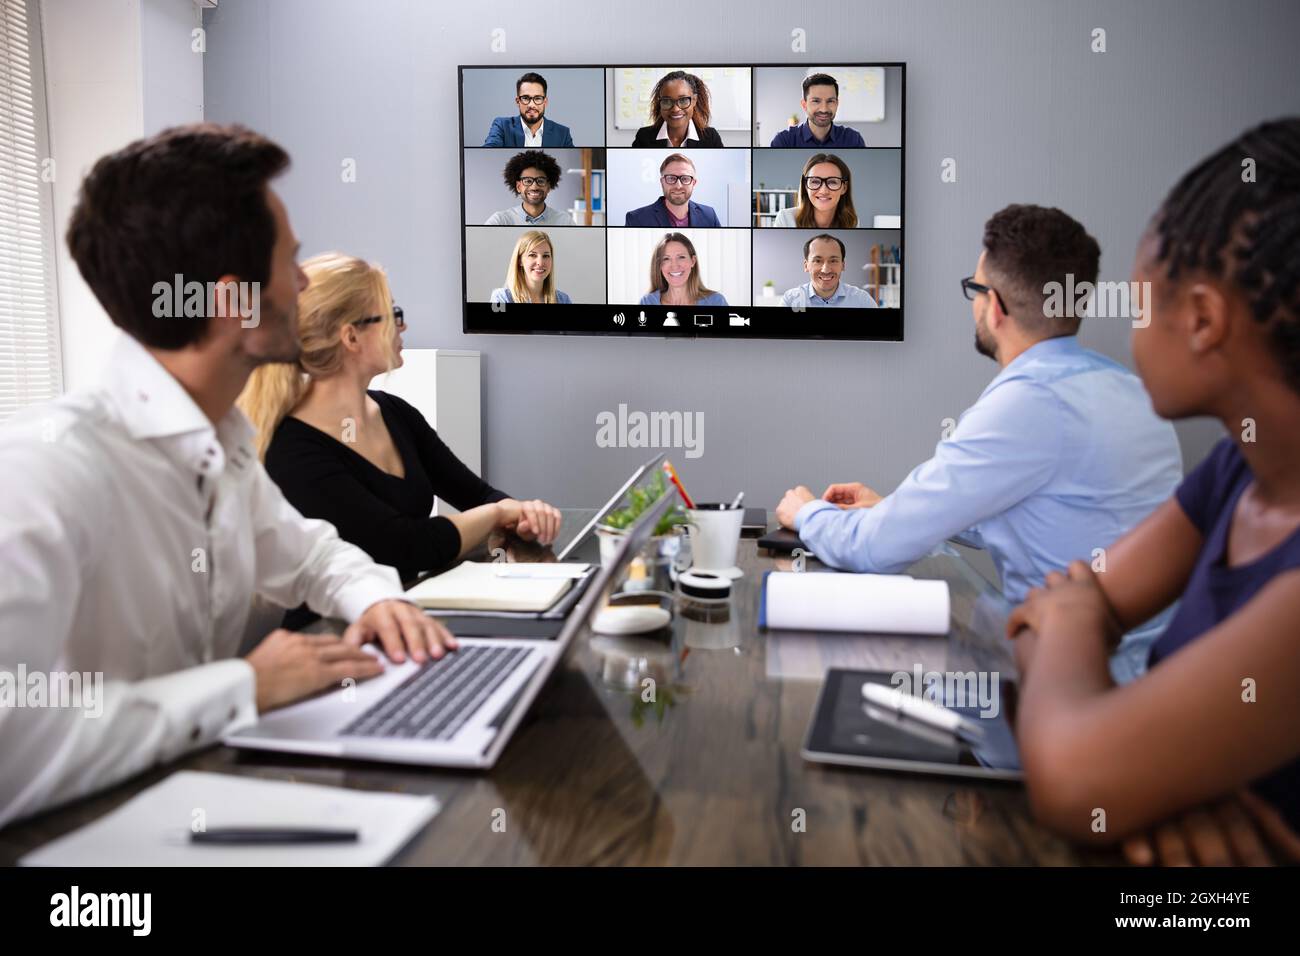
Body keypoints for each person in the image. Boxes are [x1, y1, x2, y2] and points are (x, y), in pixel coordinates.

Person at [0, 124, 456, 827]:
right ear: (229, 302)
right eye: (289, 262)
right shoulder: (45, 470)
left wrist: (373, 600)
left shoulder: (223, 445)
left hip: (188, 806)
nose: (303, 283)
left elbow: (311, 554)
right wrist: (242, 685)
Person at [1004, 118, 1300, 847]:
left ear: (1201, 320)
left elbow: (1074, 776)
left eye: (1139, 303)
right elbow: (1034, 624)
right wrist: (1169, 789)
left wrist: (1071, 623)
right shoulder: (1238, 468)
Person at [775, 204, 1183, 683]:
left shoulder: (1027, 405)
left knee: (829, 672)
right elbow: (1046, 516)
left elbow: (876, 550)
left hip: (1065, 690)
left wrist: (804, 513)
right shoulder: (1132, 391)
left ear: (995, 306)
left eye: (973, 289)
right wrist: (895, 507)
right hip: (1144, 678)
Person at [240, 251, 562, 594]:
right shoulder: (291, 449)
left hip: (401, 610)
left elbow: (477, 494)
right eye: (393, 315)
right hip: (328, 635)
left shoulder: (395, 412)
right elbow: (405, 545)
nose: (403, 325)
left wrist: (521, 518)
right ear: (351, 337)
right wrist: (498, 515)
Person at [769, 73, 867, 148]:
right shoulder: (784, 141)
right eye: (816, 101)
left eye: (830, 101)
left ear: (837, 104)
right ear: (804, 105)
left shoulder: (853, 139)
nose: (824, 109)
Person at [780, 234, 877, 308]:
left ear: (843, 265)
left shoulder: (863, 301)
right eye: (818, 261)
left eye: (833, 261)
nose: (825, 270)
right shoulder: (790, 300)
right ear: (806, 266)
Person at [630, 71, 724, 148]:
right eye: (667, 101)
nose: (675, 109)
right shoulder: (644, 137)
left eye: (683, 100)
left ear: (694, 100)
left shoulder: (710, 138)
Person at [624, 153, 721, 227]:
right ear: (662, 182)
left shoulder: (709, 215)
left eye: (685, 178)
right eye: (671, 178)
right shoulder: (636, 219)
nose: (678, 186)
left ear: (693, 183)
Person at [482, 71, 575, 147]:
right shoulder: (502, 126)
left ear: (545, 102)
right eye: (526, 98)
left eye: (538, 98)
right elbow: (488, 150)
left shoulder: (563, 133)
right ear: (518, 101)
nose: (531, 105)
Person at [483, 150, 574, 226]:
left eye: (541, 181)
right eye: (527, 181)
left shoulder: (565, 221)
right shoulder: (501, 221)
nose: (534, 186)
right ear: (518, 187)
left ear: (548, 187)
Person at [638, 232, 727, 307]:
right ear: (659, 265)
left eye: (681, 257)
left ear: (693, 261)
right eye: (666, 258)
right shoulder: (647, 302)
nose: (674, 266)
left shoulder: (716, 302)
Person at [772, 153, 858, 228]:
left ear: (844, 188)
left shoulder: (852, 222)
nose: (823, 191)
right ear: (805, 186)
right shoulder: (785, 219)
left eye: (832, 182)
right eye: (815, 181)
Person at [490, 230, 572, 304]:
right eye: (532, 255)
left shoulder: (563, 300)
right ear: (520, 260)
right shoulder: (501, 298)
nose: (540, 262)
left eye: (546, 256)